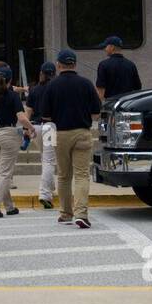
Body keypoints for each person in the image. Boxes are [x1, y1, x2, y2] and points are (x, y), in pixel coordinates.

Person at [37, 49, 102, 228]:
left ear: (58, 65)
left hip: (60, 133)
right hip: (82, 132)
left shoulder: (52, 86)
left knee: (64, 176)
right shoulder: (86, 84)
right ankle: (81, 213)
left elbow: (46, 116)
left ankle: (66, 213)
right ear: (75, 64)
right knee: (81, 175)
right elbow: (96, 112)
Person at [0, 65, 34, 218]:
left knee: (0, 173)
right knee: (5, 173)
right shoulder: (13, 96)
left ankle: (10, 207)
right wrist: (30, 128)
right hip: (9, 134)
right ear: (11, 80)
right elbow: (21, 118)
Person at [24, 61, 57, 209]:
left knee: (45, 159)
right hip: (50, 127)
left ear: (41, 74)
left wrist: (26, 129)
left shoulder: (34, 89)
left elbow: (28, 111)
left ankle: (50, 187)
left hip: (35, 127)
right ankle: (45, 194)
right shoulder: (57, 88)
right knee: (49, 161)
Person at [95, 34, 142, 101]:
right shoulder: (131, 64)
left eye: (106, 46)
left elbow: (101, 89)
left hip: (111, 103)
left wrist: (100, 107)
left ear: (112, 47)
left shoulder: (103, 65)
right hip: (127, 104)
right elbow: (138, 87)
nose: (104, 49)